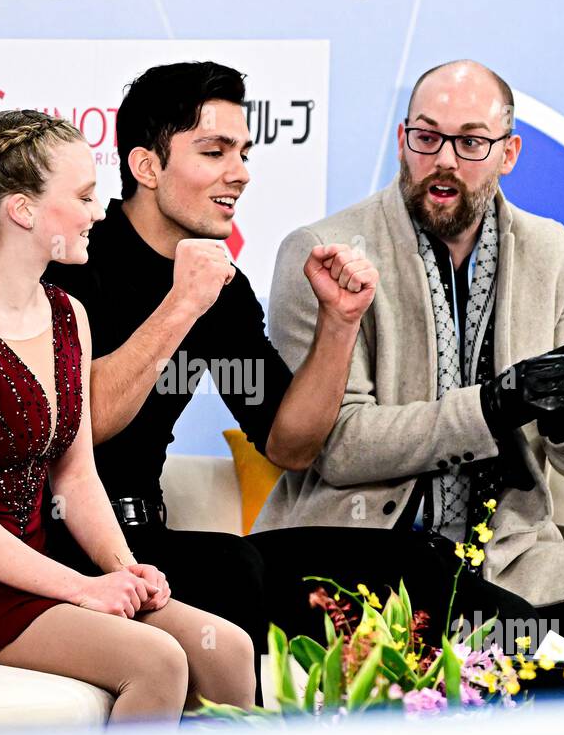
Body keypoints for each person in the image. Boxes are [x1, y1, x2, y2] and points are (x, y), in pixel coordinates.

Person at [250, 60, 564, 694]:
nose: (445, 160)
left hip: (510, 555)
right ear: (402, 139)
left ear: (508, 153)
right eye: (427, 137)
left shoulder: (552, 252)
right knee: (520, 652)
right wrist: (492, 406)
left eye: (470, 142)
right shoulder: (325, 251)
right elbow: (337, 448)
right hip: (365, 547)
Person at [0, 109, 256, 722]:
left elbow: (76, 477)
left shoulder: (66, 314)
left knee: (230, 652)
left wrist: (125, 568)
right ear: (23, 211)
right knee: (158, 662)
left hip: (48, 570)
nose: (98, 212)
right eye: (82, 196)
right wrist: (83, 589)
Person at [42, 62, 381, 673]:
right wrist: (182, 303)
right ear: (147, 167)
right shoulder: (77, 257)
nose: (241, 173)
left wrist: (339, 324)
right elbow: (78, 425)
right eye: (214, 151)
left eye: (243, 152)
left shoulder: (218, 283)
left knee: (390, 570)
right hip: (62, 545)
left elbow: (290, 443)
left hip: (151, 541)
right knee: (238, 569)